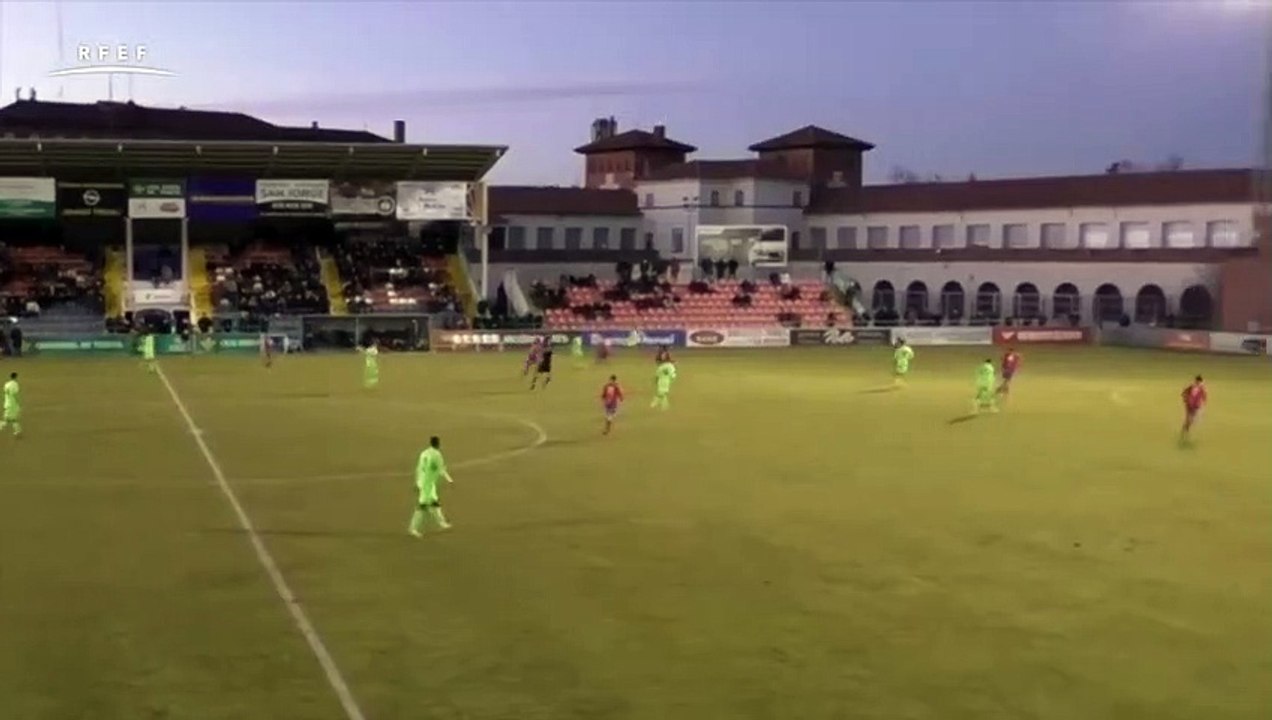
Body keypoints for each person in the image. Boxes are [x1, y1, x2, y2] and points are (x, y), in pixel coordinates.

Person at [409, 435, 454, 536]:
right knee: (422, 506)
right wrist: (449, 480)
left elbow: (419, 468)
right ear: (438, 444)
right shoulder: (436, 455)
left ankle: (442, 522)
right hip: (427, 484)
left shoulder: (424, 453)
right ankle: (413, 528)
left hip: (425, 482)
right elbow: (441, 469)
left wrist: (417, 482)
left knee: (434, 503)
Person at [1180, 375, 1207, 441]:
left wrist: (1203, 404)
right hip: (1189, 405)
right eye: (1197, 381)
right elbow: (1183, 393)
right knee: (1188, 419)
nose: (1198, 383)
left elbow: (1204, 397)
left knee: (1191, 420)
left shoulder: (1202, 388)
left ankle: (1185, 430)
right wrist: (1185, 399)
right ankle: (1184, 432)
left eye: (1199, 382)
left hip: (1196, 406)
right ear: (1195, 381)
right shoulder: (1191, 386)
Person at [0, 371, 21, 438]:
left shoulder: (7, 384)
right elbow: (15, 395)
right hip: (12, 404)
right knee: (7, 420)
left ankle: (17, 431)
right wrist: (18, 403)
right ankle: (17, 431)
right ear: (16, 377)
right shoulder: (15, 384)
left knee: (12, 419)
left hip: (7, 403)